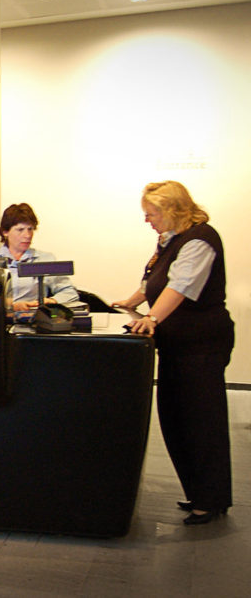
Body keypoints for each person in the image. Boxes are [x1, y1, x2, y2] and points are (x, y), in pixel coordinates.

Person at [112, 181, 234, 525]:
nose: (147, 221)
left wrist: (151, 317)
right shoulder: (172, 240)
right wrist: (131, 302)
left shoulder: (199, 241)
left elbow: (180, 286)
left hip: (201, 346)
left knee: (200, 421)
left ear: (172, 210)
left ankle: (209, 501)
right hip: (179, 346)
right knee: (178, 419)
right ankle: (201, 493)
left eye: (151, 214)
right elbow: (156, 280)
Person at [0, 203, 80, 311]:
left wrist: (52, 301)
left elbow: (69, 292)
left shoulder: (45, 259)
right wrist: (10, 305)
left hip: (34, 319)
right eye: (20, 230)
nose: (27, 235)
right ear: (5, 232)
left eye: (30, 229)